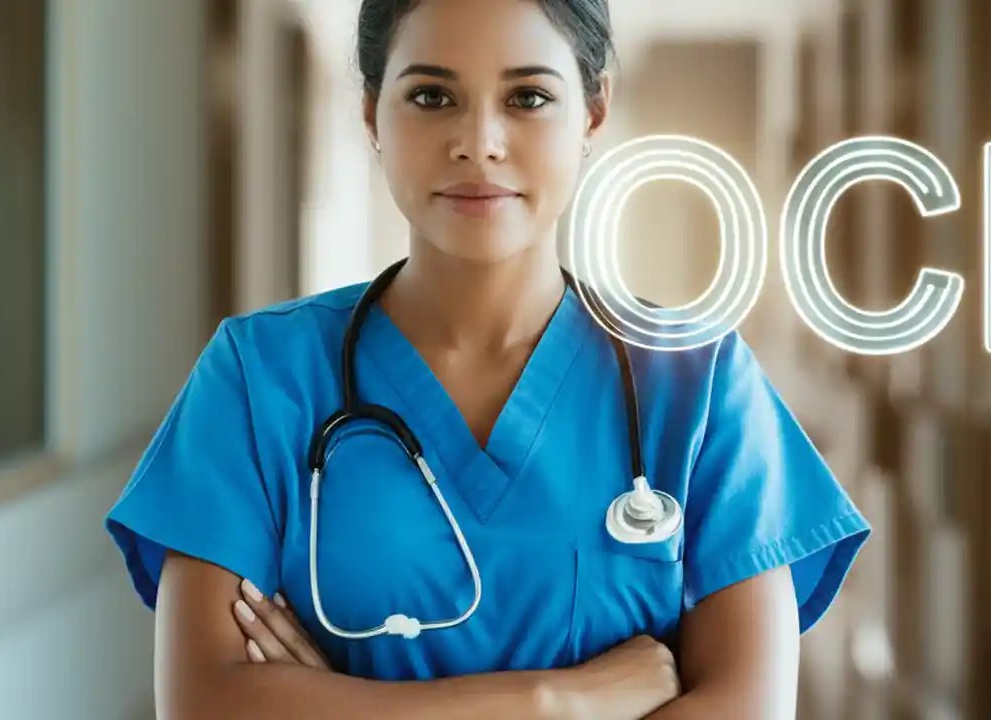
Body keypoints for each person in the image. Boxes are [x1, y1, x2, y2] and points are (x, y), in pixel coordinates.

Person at [104, 0, 871, 717]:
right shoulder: (257, 378)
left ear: (593, 111)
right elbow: (207, 702)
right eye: (432, 97)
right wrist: (556, 701)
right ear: (372, 111)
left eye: (528, 98)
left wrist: (329, 701)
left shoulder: (698, 384)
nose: (479, 141)